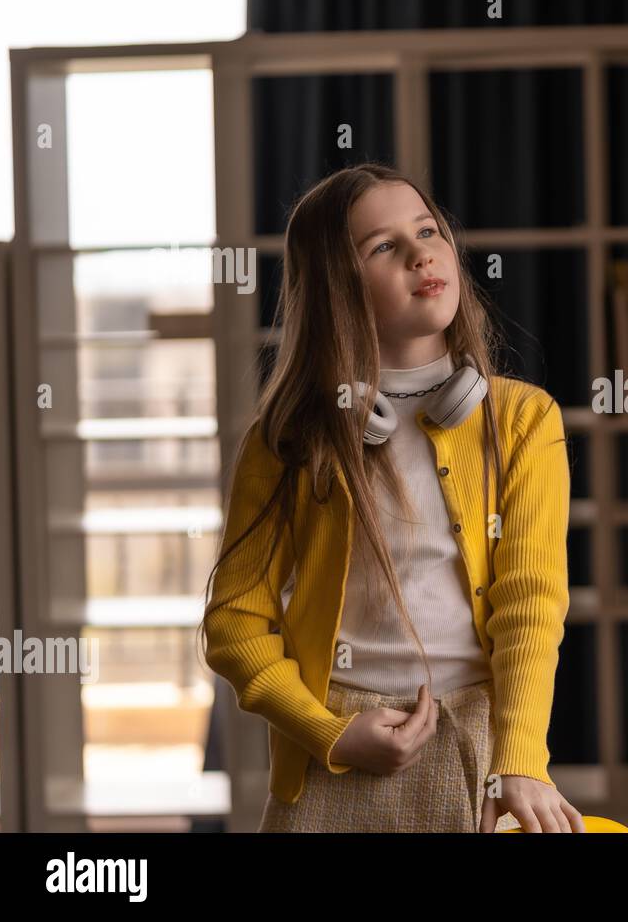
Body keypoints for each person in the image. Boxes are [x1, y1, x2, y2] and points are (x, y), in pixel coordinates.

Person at [198, 163, 585, 832]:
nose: (420, 253)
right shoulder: (287, 438)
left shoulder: (525, 420)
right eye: (383, 246)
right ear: (335, 285)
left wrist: (520, 758)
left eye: (428, 230)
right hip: (334, 749)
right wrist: (331, 733)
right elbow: (234, 623)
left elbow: (530, 601)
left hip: (476, 736)